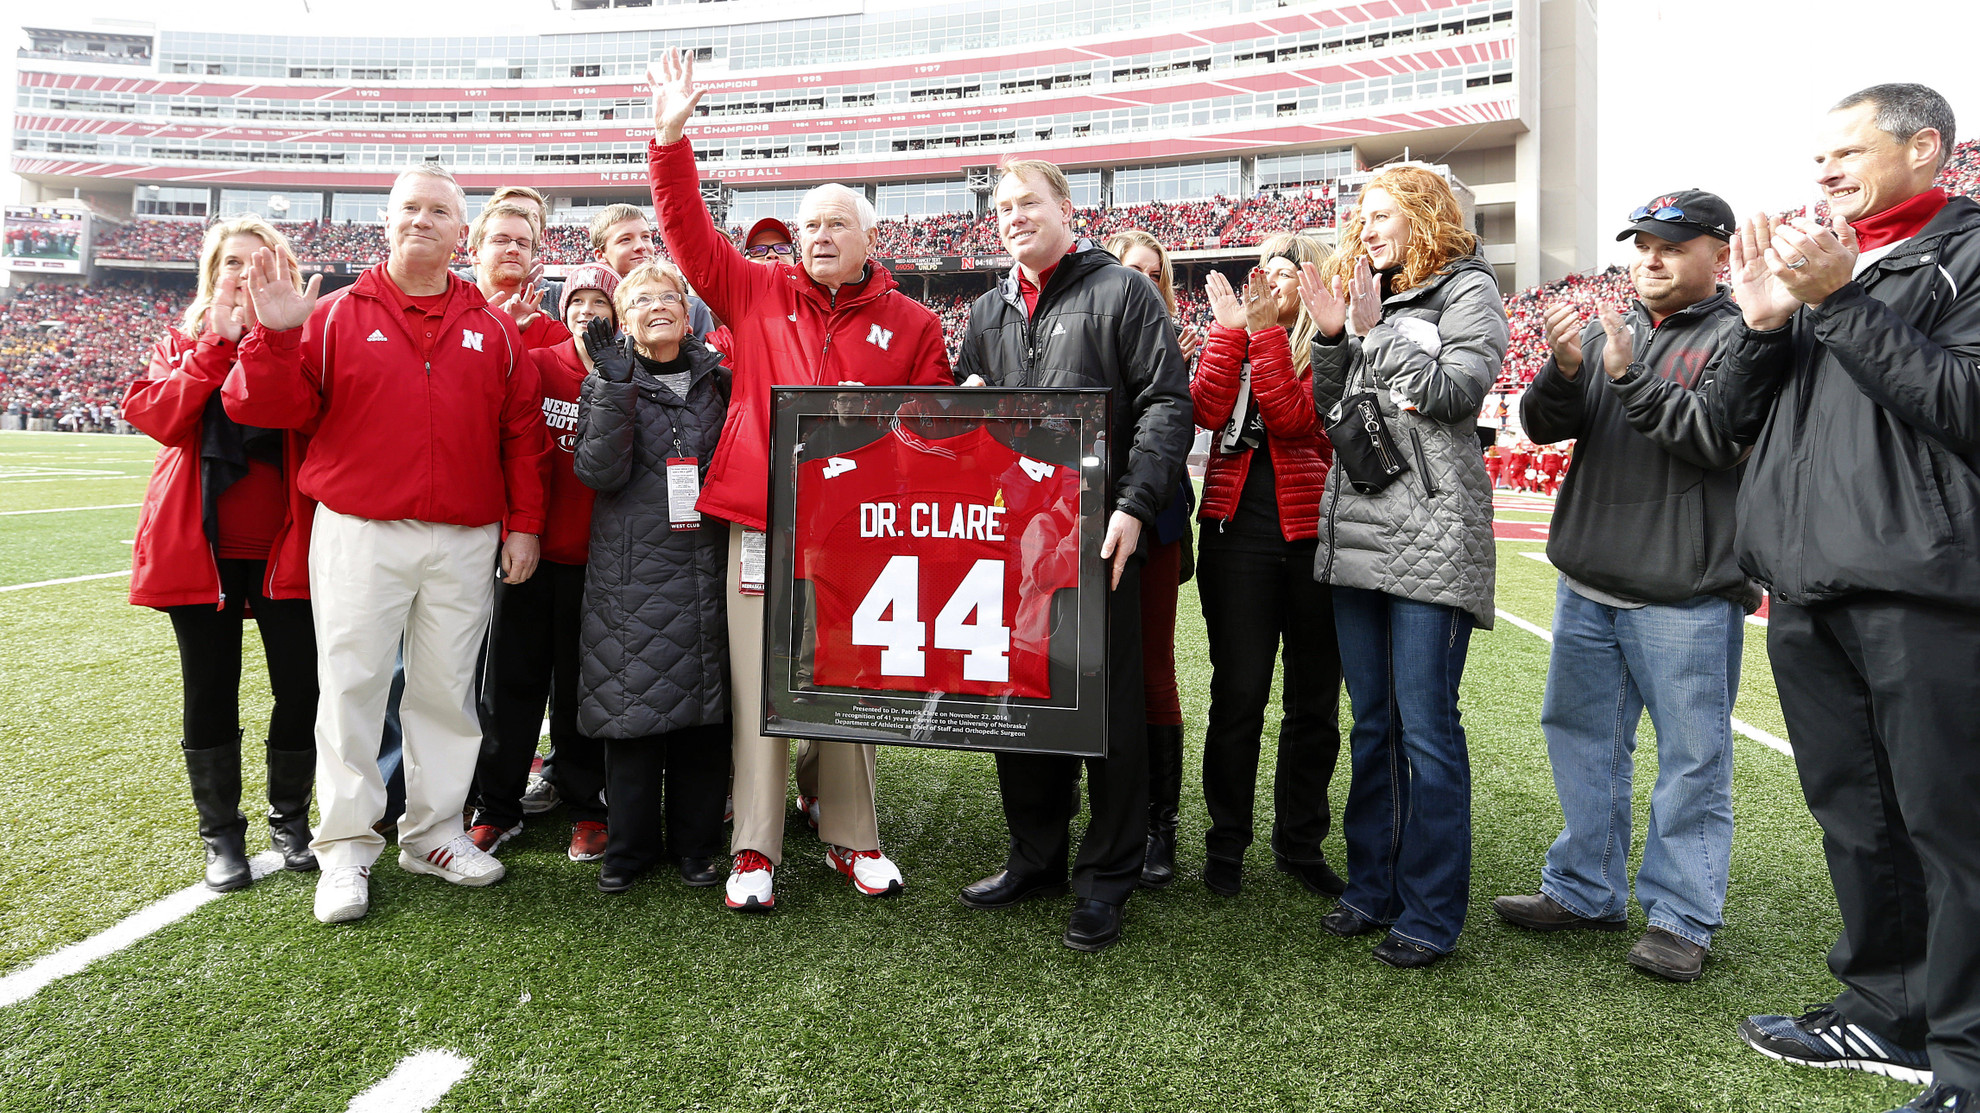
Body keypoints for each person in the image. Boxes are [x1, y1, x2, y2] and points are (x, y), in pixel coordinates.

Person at [1710, 84, 1980, 1113]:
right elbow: (1727, 424)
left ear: (1925, 147)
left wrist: (1841, 304)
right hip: (1808, 587)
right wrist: (1764, 325)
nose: (1822, 171)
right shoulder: (1829, 265)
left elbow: (1964, 406)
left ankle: (1968, 1058)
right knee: (1858, 822)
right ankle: (1886, 1010)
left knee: (1952, 833)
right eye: (1815, 155)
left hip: (1924, 591)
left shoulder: (1962, 253)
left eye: (1845, 151)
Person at [646, 49, 951, 911]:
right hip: (762, 517)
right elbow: (688, 235)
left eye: (836, 224)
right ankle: (755, 847)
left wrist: (881, 423)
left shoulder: (914, 323)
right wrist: (671, 142)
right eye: (809, 224)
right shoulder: (754, 289)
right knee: (758, 685)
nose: (818, 236)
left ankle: (853, 837)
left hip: (861, 529)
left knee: (846, 678)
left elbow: (933, 432)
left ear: (868, 239)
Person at [228, 161, 548, 925]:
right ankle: (344, 848)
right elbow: (263, 407)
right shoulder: (333, 314)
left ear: (460, 231)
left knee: (445, 691)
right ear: (386, 220)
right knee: (353, 686)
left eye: (439, 210)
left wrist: (525, 522)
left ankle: (433, 831)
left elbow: (522, 435)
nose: (422, 221)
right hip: (360, 528)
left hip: (466, 534)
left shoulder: (495, 327)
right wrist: (273, 338)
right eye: (410, 208)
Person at [1494, 190, 1754, 984]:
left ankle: (1682, 917)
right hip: (1589, 577)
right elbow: (1541, 425)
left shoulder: (1746, 334)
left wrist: (1628, 376)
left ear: (1720, 252)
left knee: (1691, 759)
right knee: (1581, 740)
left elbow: (1713, 439)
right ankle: (1584, 887)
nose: (1651, 257)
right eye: (1643, 242)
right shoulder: (1621, 327)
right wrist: (1566, 370)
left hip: (1685, 589)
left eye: (1672, 245)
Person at [955, 157, 1192, 952]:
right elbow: (966, 423)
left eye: (1030, 201)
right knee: (1018, 703)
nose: (1015, 215)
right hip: (1012, 543)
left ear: (1066, 207)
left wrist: (1134, 503)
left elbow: (1166, 402)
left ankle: (1107, 877)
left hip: (1097, 541)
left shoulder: (1119, 292)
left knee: (1109, 711)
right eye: (1004, 206)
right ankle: (1036, 856)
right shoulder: (986, 310)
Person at [1297, 163, 1507, 969]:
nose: (1370, 226)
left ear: (1424, 216)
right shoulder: (1364, 295)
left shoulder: (1469, 290)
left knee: (1426, 727)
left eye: (1386, 213)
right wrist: (1331, 340)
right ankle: (1373, 885)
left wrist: (1375, 333)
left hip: (1432, 535)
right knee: (1374, 722)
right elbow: (1333, 408)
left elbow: (1456, 391)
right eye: (1364, 214)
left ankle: (1428, 909)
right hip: (1360, 530)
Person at [123, 216, 319, 891]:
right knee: (210, 687)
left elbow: (302, 410)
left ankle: (290, 820)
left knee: (302, 684)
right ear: (213, 271)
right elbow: (156, 418)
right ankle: (221, 837)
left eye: (260, 260)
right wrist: (216, 345)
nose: (244, 271)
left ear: (282, 271)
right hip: (199, 544)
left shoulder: (303, 337)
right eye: (232, 260)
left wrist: (273, 336)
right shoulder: (182, 340)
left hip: (285, 544)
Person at [1189, 233, 1344, 900]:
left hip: (1311, 539)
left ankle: (1300, 841)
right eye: (1265, 270)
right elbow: (1204, 409)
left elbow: (1292, 419)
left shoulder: (1326, 348)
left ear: (1309, 285)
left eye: (1285, 271)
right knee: (1239, 695)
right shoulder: (1237, 337)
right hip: (1235, 537)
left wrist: (1263, 339)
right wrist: (1231, 337)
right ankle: (1226, 842)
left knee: (1313, 702)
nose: (1268, 281)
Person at [572, 261, 733, 894]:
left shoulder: (719, 379)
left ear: (689, 309)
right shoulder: (608, 381)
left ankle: (697, 845)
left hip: (706, 565)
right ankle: (630, 849)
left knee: (702, 713)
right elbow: (598, 472)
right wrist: (613, 389)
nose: (657, 306)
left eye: (669, 295)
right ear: (622, 317)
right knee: (630, 710)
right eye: (640, 299)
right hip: (631, 573)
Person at [468, 263, 620, 862]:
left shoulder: (627, 372)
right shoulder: (537, 364)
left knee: (587, 691)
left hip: (602, 564)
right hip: (530, 556)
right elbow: (513, 448)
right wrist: (516, 530)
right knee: (511, 685)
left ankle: (588, 806)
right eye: (576, 300)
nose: (586, 310)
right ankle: (496, 807)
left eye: (599, 300)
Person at [1103, 228, 1198, 890]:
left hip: (1156, 516)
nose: (1143, 279)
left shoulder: (1174, 344)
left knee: (1154, 668)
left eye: (1154, 273)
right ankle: (1112, 815)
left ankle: (1161, 823)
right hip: (1081, 511)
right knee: (1092, 667)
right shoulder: (1095, 325)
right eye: (1132, 268)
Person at [589, 202, 717, 336]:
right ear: (600, 255)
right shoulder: (591, 312)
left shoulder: (693, 309)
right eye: (626, 239)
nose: (641, 246)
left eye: (645, 237)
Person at [470, 201, 571, 349]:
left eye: (523, 244)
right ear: (474, 253)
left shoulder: (550, 332)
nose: (513, 249)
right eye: (500, 241)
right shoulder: (449, 314)